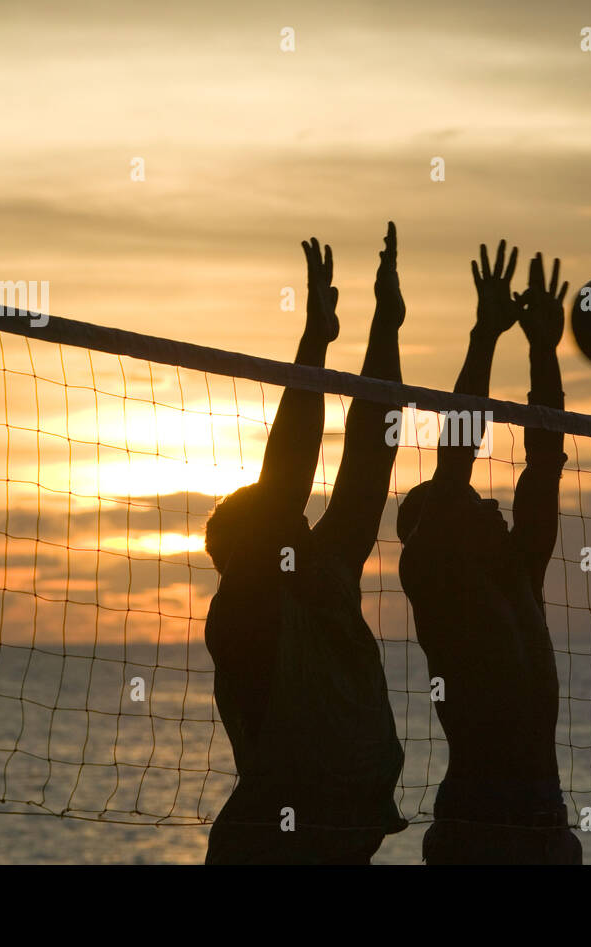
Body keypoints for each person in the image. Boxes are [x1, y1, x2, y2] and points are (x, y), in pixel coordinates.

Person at [202, 224, 407, 864]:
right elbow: (285, 482)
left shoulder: (324, 585)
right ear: (255, 550)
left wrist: (386, 327)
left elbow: (370, 465)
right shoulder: (245, 615)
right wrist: (314, 341)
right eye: (285, 522)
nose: (306, 522)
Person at [397, 243, 581, 864]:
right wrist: (484, 335)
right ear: (444, 528)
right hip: (481, 825)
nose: (492, 507)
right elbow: (454, 463)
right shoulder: (437, 580)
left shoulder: (518, 575)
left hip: (545, 823)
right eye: (477, 504)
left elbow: (544, 463)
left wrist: (543, 348)